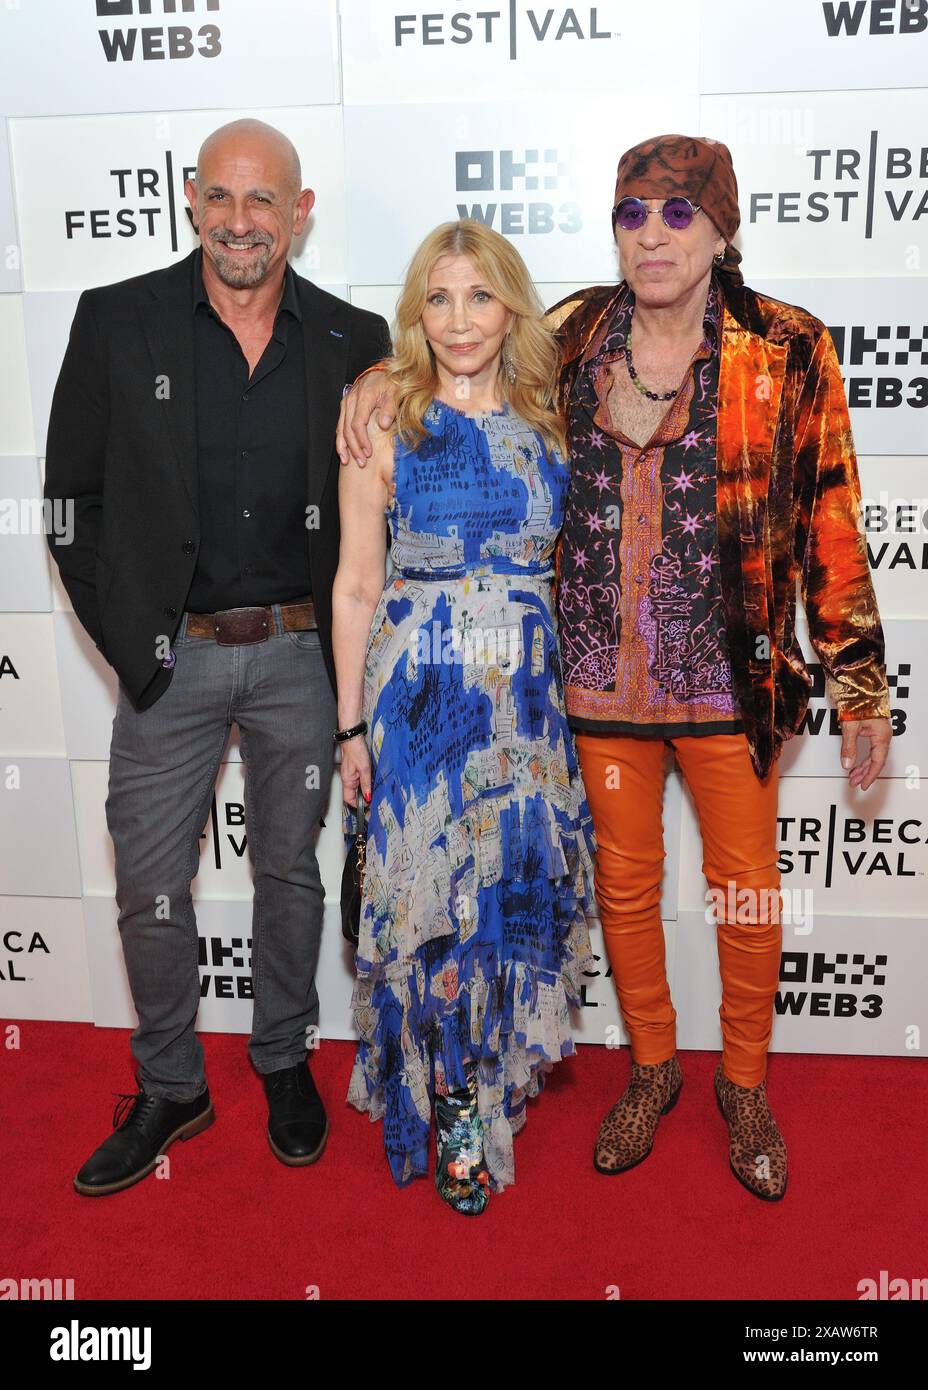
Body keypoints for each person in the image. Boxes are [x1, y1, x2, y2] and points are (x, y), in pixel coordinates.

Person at [336, 135, 892, 1203]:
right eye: (633, 214)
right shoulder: (577, 332)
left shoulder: (789, 348)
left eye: (678, 214)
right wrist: (372, 376)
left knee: (744, 893)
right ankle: (648, 1071)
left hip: (729, 680)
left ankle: (741, 1085)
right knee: (624, 892)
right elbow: (453, 343)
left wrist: (859, 682)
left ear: (721, 228)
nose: (652, 236)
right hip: (588, 688)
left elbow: (829, 521)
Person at [44, 118, 391, 1197]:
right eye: (223, 198)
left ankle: (284, 1058)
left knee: (290, 870)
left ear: (300, 211)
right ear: (193, 200)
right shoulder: (118, 321)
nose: (243, 222)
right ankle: (170, 1084)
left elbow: (384, 510)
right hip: (171, 660)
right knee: (151, 885)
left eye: (266, 201)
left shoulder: (353, 340)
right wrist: (132, 650)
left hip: (300, 655)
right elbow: (70, 504)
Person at [332, 218, 597, 1215]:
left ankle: (492, 1076)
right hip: (421, 698)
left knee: (510, 890)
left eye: (478, 296)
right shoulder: (385, 421)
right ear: (415, 313)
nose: (457, 320)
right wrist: (351, 727)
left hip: (526, 701)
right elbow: (356, 585)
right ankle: (451, 1102)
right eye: (436, 299)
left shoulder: (552, 414)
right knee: (433, 901)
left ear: (511, 305)